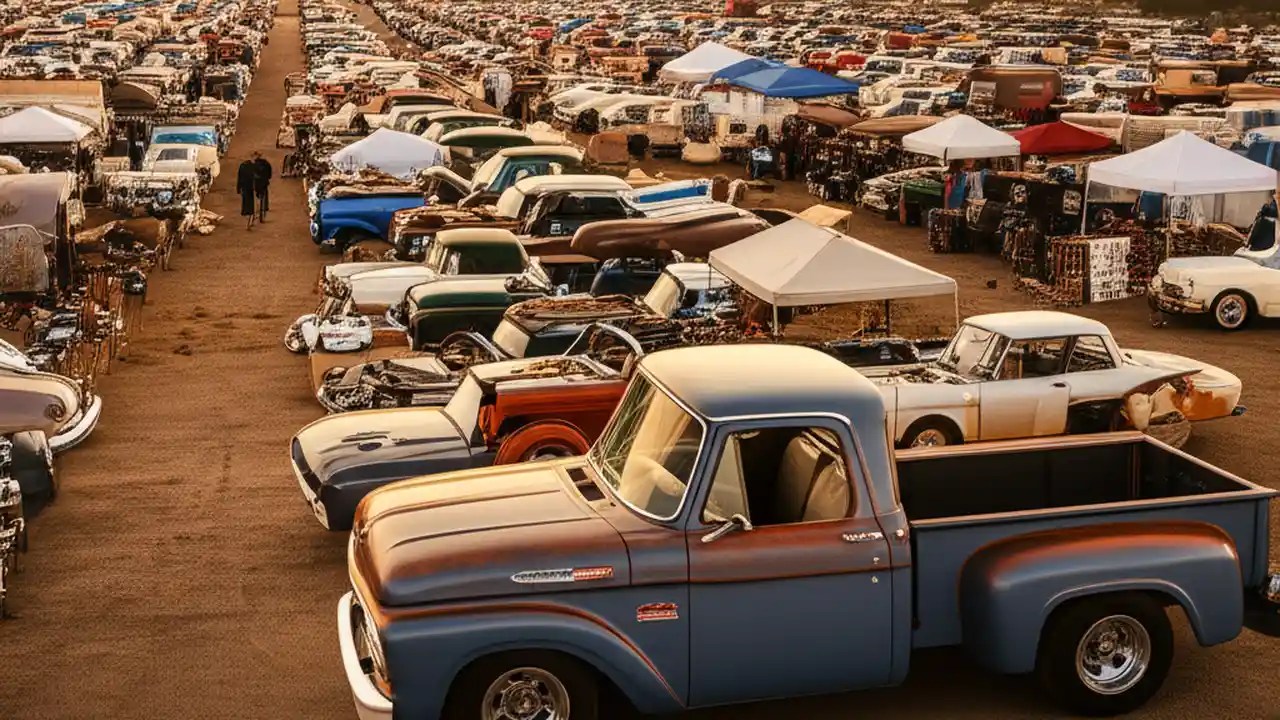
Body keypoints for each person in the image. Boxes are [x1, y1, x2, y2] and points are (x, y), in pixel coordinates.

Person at [236, 157, 257, 229]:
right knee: (251, 205)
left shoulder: (242, 166)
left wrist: (238, 189)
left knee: (247, 204)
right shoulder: (254, 167)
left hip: (244, 188)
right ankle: (251, 220)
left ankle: (250, 219)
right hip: (250, 188)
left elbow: (239, 178)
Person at [252, 151, 272, 222]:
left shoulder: (253, 165)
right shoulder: (266, 163)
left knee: (256, 198)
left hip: (257, 184)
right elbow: (270, 173)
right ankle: (264, 210)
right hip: (264, 183)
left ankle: (256, 213)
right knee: (264, 197)